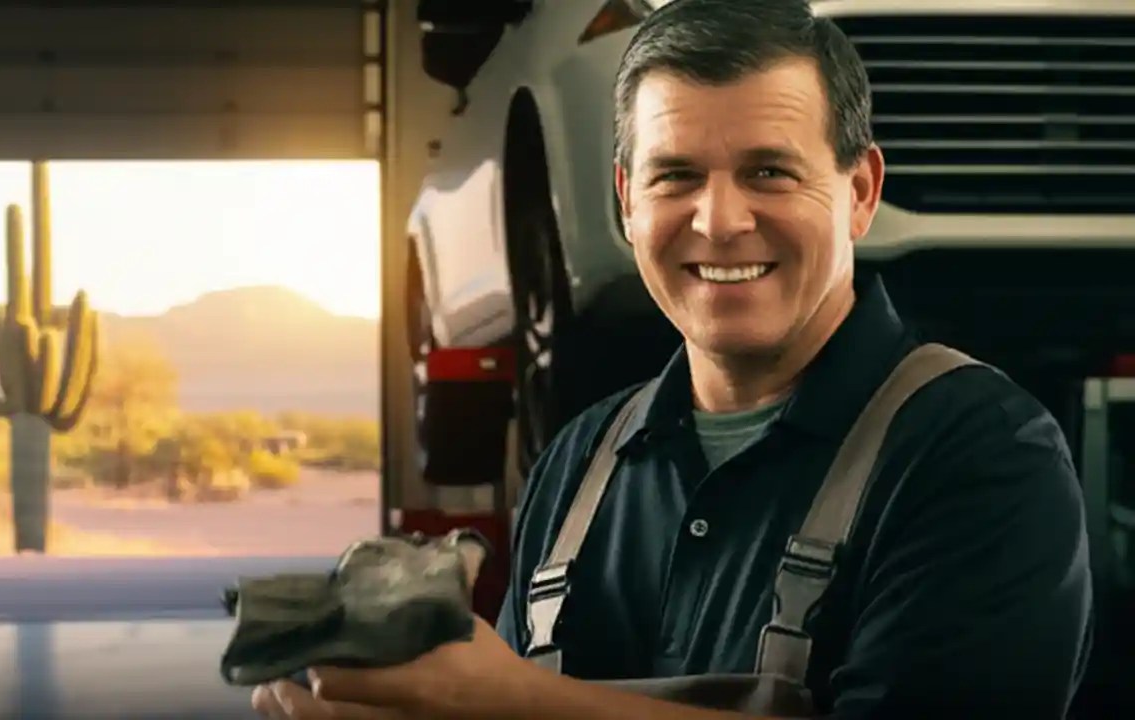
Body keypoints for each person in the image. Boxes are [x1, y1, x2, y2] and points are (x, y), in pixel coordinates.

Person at [250, 0, 1094, 718]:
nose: (719, 220)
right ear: (625, 200)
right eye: (675, 177)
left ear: (862, 192)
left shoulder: (977, 453)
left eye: (769, 172)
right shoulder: (576, 467)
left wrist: (509, 703)